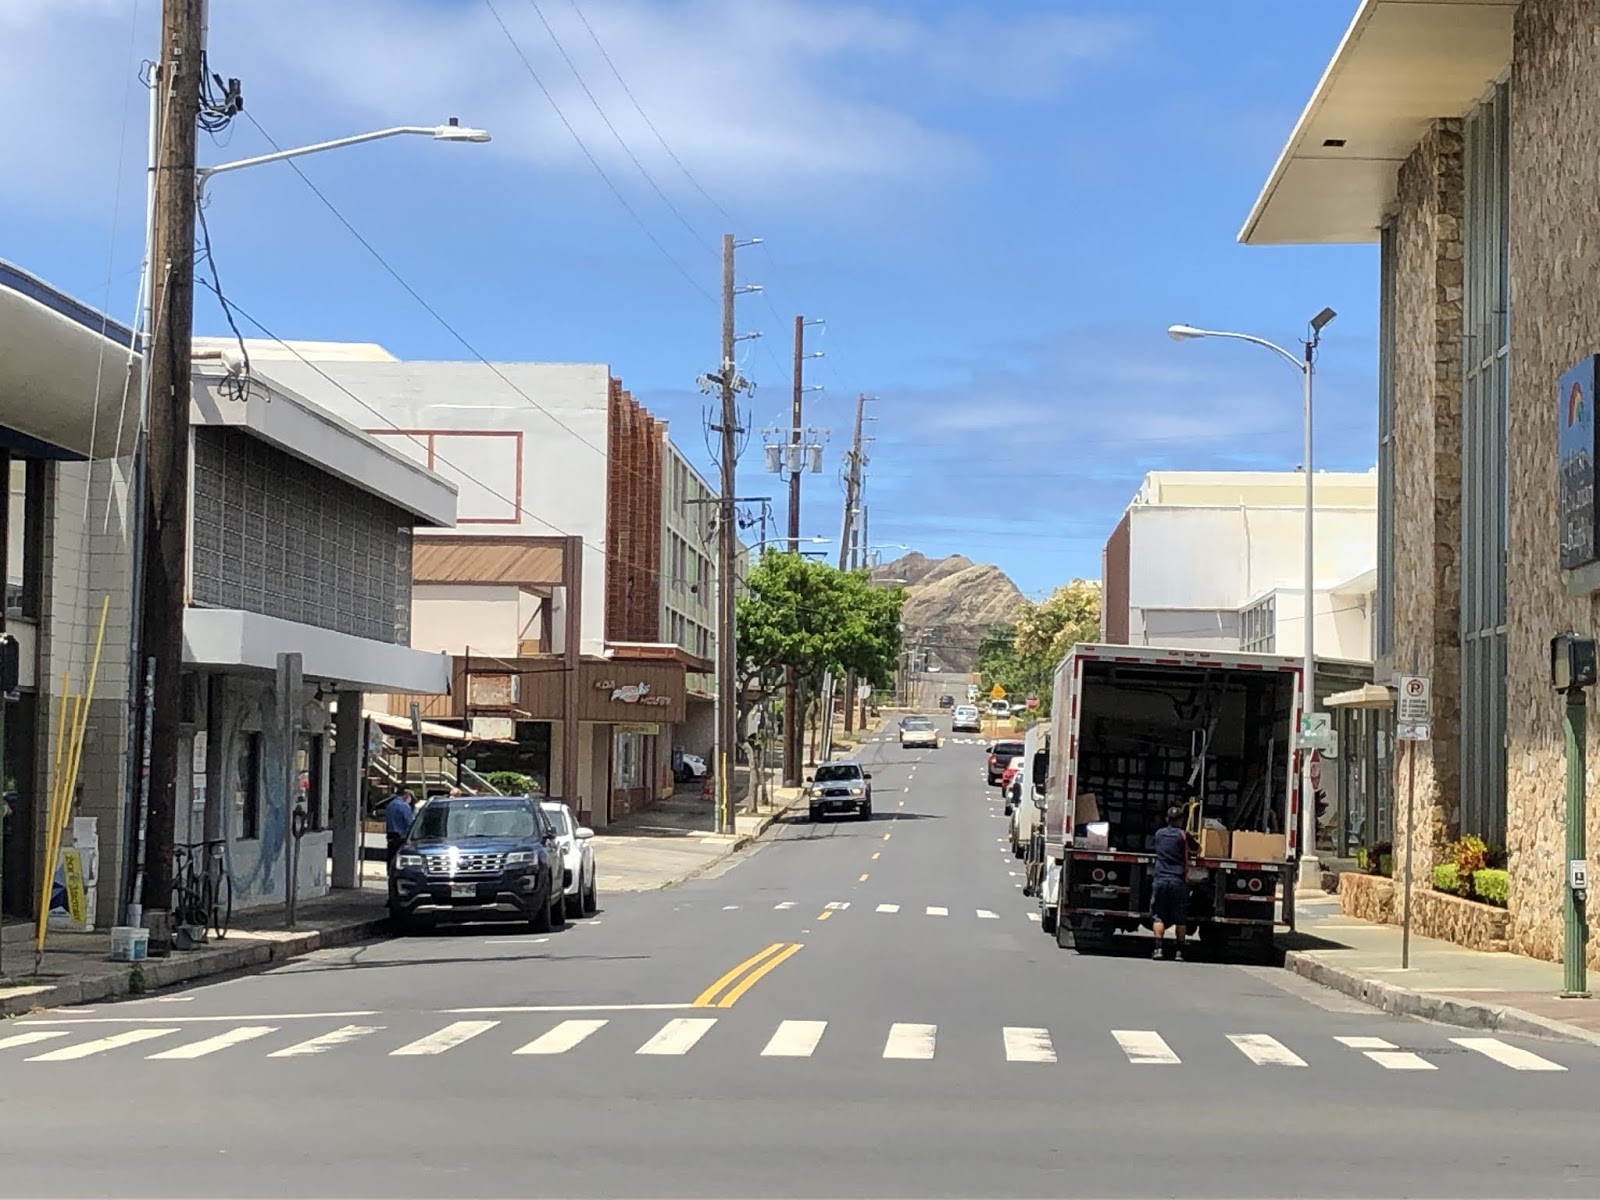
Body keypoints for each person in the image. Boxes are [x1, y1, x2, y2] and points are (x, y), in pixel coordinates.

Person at [1150, 804, 1191, 961]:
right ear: (1181, 820)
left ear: (1167, 819)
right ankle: (1179, 951)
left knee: (1158, 916)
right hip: (1178, 880)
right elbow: (1196, 849)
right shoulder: (1183, 835)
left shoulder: (1159, 834)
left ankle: (1158, 949)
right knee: (1180, 918)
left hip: (1160, 879)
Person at [384, 788, 415, 875]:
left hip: (390, 835)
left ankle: (389, 873)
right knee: (399, 857)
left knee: (391, 855)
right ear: (406, 795)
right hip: (400, 836)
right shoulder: (404, 806)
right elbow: (410, 822)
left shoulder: (390, 805)